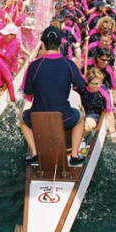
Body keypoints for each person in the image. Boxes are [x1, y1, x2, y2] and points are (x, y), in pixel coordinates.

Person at [20, 26, 86, 167]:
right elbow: (81, 85)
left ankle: (35, 153)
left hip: (37, 118)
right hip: (64, 118)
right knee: (80, 118)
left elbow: (27, 92)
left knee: (21, 118)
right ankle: (75, 155)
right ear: (60, 44)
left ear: (43, 45)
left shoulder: (34, 65)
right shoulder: (69, 64)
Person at [77, 67, 116, 144]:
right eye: (94, 83)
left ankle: (80, 141)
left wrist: (113, 132)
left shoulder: (103, 93)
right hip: (82, 112)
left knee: (87, 126)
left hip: (95, 115)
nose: (98, 86)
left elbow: (109, 112)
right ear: (88, 82)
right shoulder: (82, 89)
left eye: (99, 83)